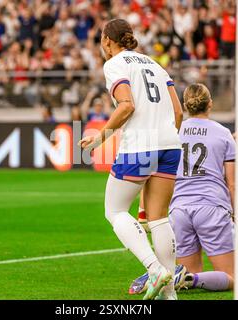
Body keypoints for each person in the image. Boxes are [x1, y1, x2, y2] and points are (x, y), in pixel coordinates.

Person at [78, 19, 183, 300]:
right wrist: (166, 136)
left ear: (107, 40)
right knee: (160, 219)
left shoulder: (115, 63)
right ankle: (169, 295)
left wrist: (100, 137)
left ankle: (153, 269)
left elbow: (127, 105)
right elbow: (178, 111)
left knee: (114, 210)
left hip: (141, 145)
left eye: (101, 37)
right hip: (170, 144)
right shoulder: (154, 64)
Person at [131, 83, 235, 295]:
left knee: (191, 274)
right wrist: (237, 213)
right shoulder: (224, 134)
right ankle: (186, 277)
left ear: (185, 105)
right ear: (210, 104)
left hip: (178, 211)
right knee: (234, 277)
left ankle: (182, 276)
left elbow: (152, 174)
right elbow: (232, 182)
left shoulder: (172, 131)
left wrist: (145, 212)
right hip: (211, 207)